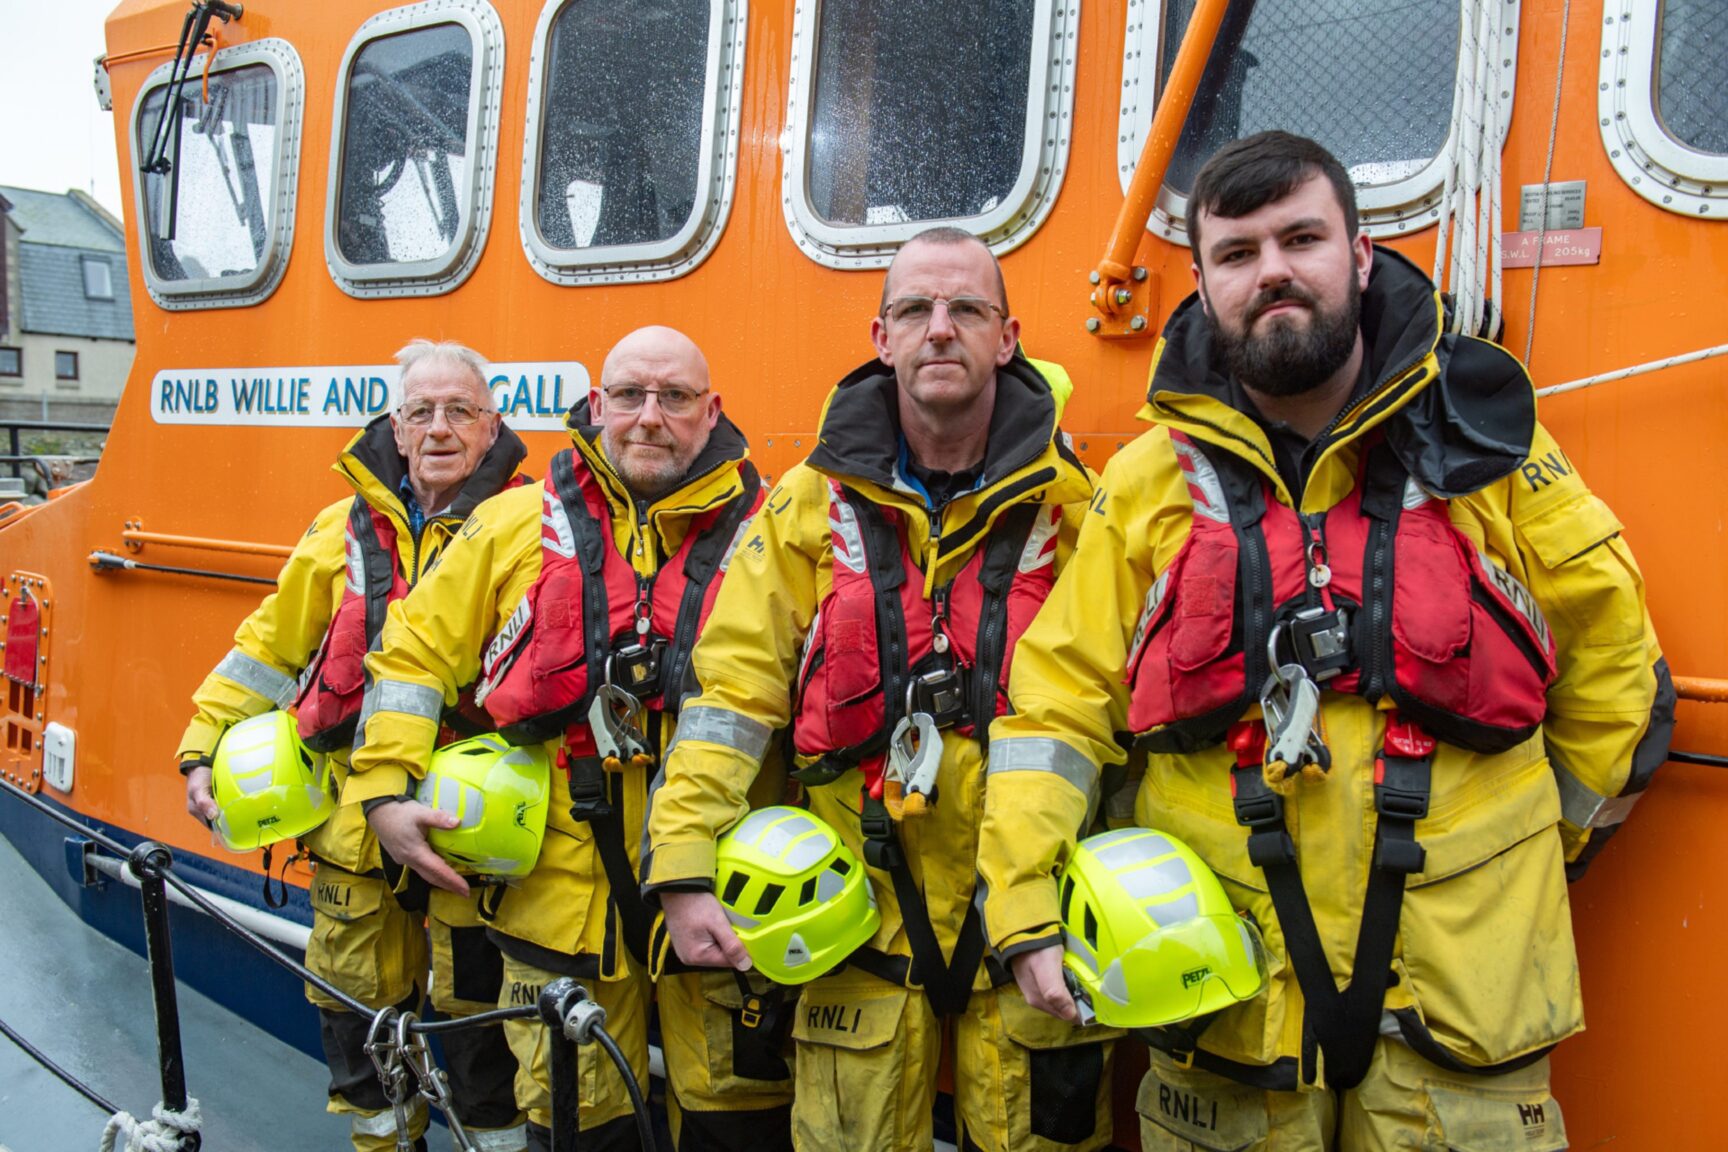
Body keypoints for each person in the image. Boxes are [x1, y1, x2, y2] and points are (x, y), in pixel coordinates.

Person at [992, 131, 1674, 1150]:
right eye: (1236, 252)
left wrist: (1517, 853)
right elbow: (1054, 711)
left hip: (1464, 1009)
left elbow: (1621, 680)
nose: (1272, 270)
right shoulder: (1144, 485)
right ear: (1206, 284)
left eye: (1300, 238)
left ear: (1358, 256)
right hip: (1224, 996)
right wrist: (1024, 916)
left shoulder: (1491, 450)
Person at [649, 227, 1116, 1151]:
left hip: (1031, 917)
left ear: (1008, 337)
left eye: (967, 311)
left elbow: (1103, 711)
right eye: (915, 310)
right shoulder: (803, 508)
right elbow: (731, 698)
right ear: (881, 336)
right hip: (853, 922)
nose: (940, 331)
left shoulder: (1079, 508)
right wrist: (683, 862)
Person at [344, 326, 791, 1152]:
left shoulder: (775, 530)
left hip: (721, 891)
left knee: (739, 1126)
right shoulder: (514, 523)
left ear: (712, 410)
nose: (648, 417)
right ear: (597, 406)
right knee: (576, 1126)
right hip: (559, 903)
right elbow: (409, 655)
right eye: (627, 396)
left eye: (674, 397)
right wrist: (382, 794)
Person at [177, 339, 530, 1152]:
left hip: (467, 826)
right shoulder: (338, 531)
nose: (440, 429)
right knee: (354, 1020)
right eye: (421, 412)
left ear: (491, 425)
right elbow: (267, 651)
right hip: (347, 832)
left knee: (484, 1035)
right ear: (397, 429)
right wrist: (201, 748)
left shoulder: (530, 529)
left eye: (460, 412)